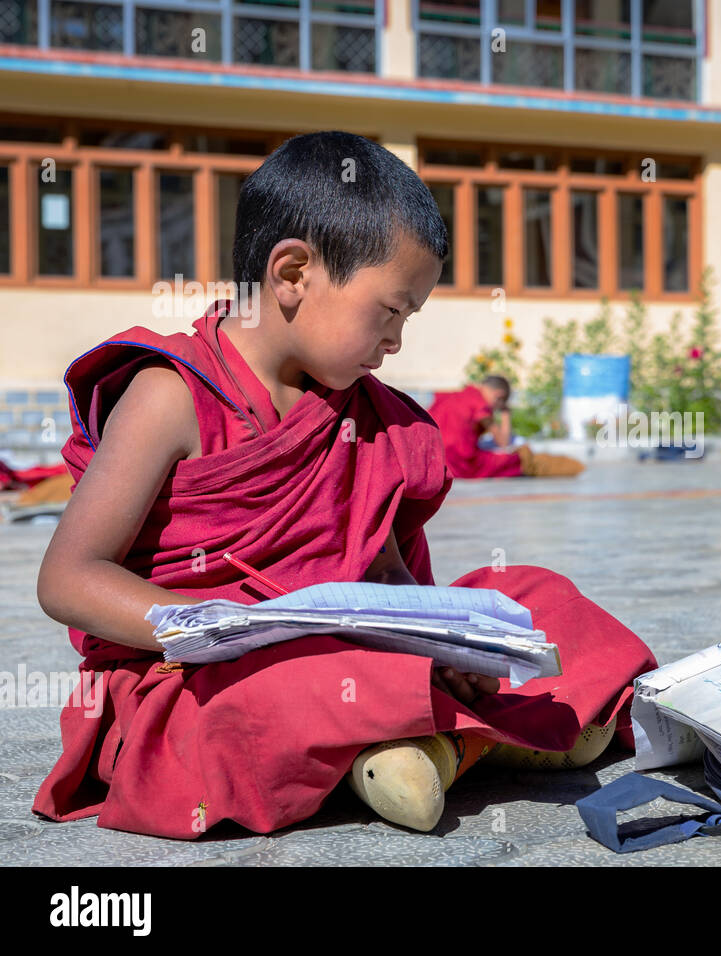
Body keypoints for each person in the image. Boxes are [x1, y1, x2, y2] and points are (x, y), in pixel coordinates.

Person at [32, 131, 657, 839]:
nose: (396, 342)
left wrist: (450, 648)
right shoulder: (171, 395)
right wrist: (215, 628)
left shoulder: (361, 412)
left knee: (537, 599)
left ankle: (431, 741)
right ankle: (474, 737)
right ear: (294, 272)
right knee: (284, 687)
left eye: (407, 319)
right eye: (390, 312)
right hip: (198, 671)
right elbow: (68, 580)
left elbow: (380, 573)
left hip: (352, 652)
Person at [430, 377, 584, 478]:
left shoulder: (456, 396)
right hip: (459, 464)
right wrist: (505, 415)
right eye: (499, 403)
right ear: (499, 395)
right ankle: (573, 466)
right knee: (514, 459)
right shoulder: (478, 403)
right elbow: (503, 442)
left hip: (433, 460)